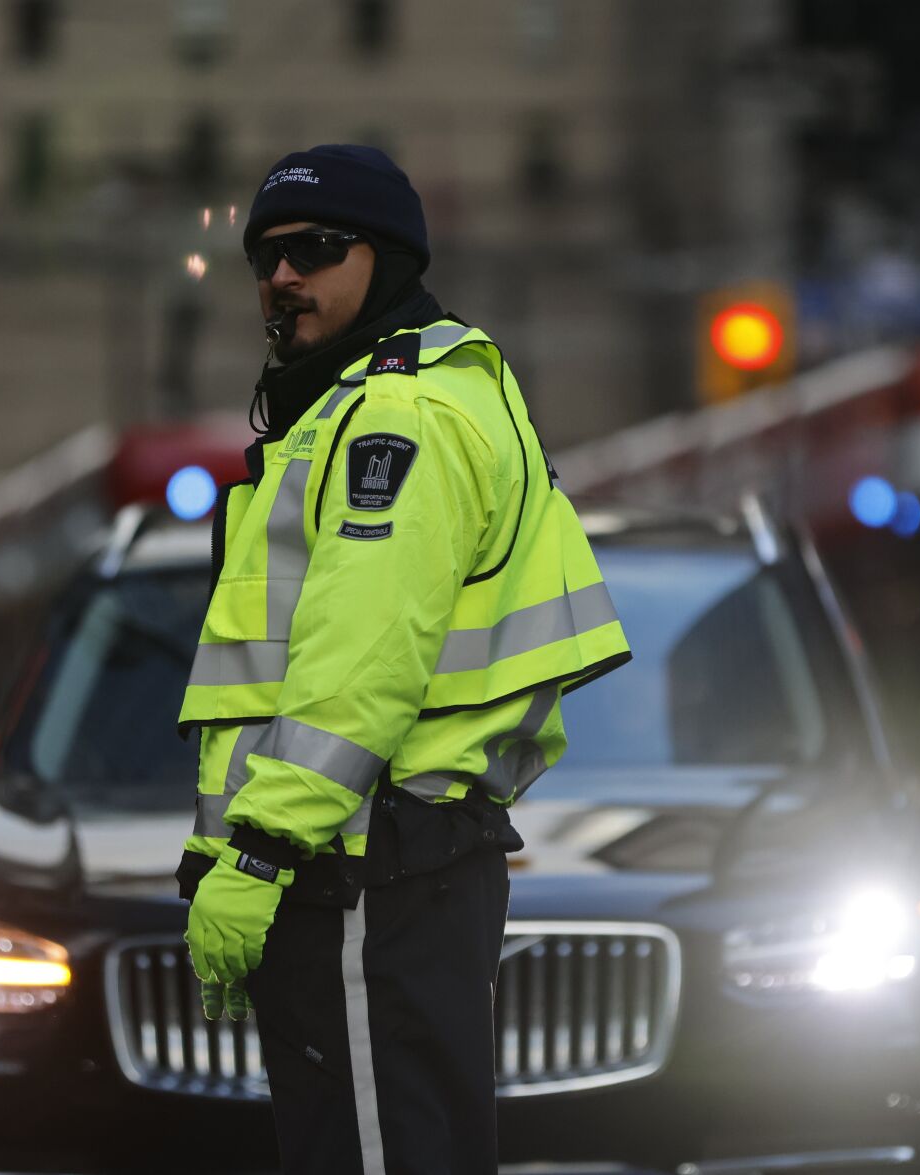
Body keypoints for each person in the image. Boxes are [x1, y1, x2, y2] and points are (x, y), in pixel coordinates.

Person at [174, 144, 631, 1175]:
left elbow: (359, 666)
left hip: (362, 871)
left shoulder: (398, 415)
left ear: (381, 260)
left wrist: (257, 851)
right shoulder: (357, 403)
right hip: (368, 868)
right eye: (264, 258)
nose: (282, 275)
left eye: (314, 249)